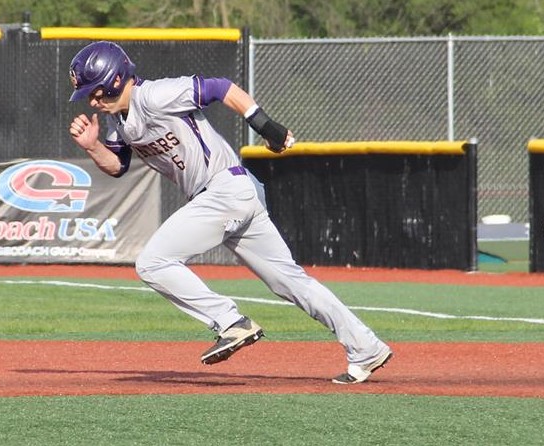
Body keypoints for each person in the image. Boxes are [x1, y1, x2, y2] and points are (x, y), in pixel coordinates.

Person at [67, 40, 392, 384]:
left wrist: (266, 126)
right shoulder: (119, 121)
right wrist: (93, 147)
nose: (92, 101)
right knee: (290, 282)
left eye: (94, 91)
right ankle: (366, 347)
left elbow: (221, 88)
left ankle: (230, 321)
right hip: (231, 194)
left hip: (224, 190)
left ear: (115, 79)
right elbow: (117, 166)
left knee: (152, 262)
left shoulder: (155, 95)